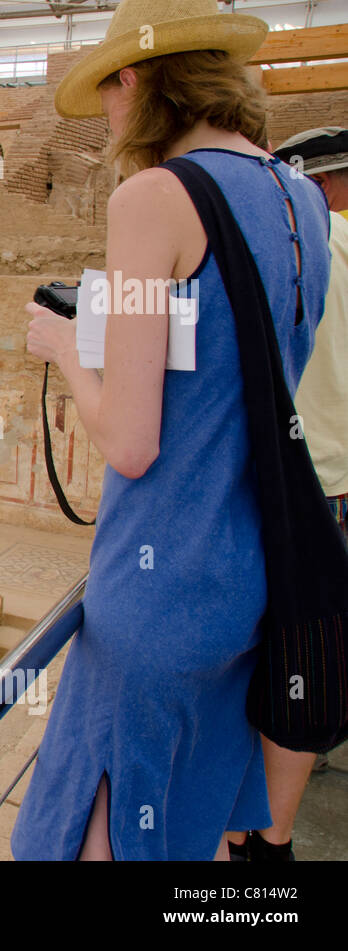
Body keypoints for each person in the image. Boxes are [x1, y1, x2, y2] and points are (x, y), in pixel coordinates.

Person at [11, 0, 331, 861]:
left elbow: (132, 442)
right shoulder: (302, 196)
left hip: (160, 581)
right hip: (246, 573)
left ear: (133, 81)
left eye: (112, 93)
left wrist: (69, 352)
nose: (111, 119)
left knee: (105, 824)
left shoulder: (153, 198)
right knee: (192, 817)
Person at [219, 127, 348, 862]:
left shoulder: (304, 250)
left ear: (317, 189)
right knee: (311, 675)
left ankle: (246, 838)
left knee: (263, 677)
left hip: (296, 496)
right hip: (337, 495)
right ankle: (274, 837)